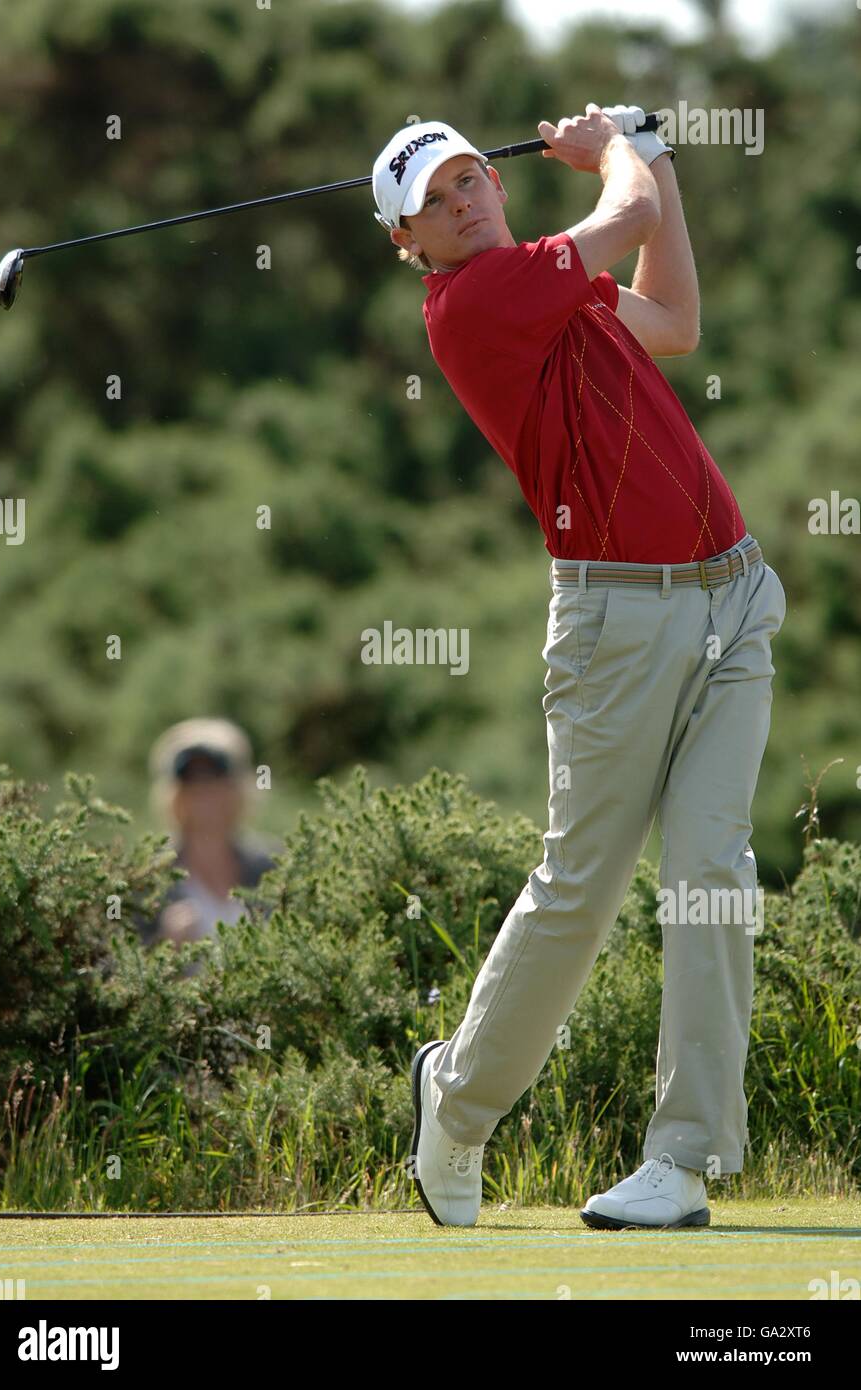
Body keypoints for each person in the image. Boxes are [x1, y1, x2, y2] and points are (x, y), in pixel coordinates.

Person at [372, 105, 787, 1228]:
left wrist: (649, 160)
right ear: (408, 243)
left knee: (710, 873)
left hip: (731, 595)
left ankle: (682, 1161)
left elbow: (677, 320)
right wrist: (617, 156)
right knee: (579, 889)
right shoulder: (477, 303)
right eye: (435, 204)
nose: (465, 201)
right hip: (615, 624)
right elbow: (627, 212)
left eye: (470, 179)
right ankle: (455, 1103)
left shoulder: (549, 281)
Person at [144, 718, 278, 947]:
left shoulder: (275, 866)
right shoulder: (146, 880)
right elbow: (113, 967)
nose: (203, 790)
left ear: (238, 788)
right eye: (190, 779)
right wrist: (164, 949)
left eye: (215, 775)